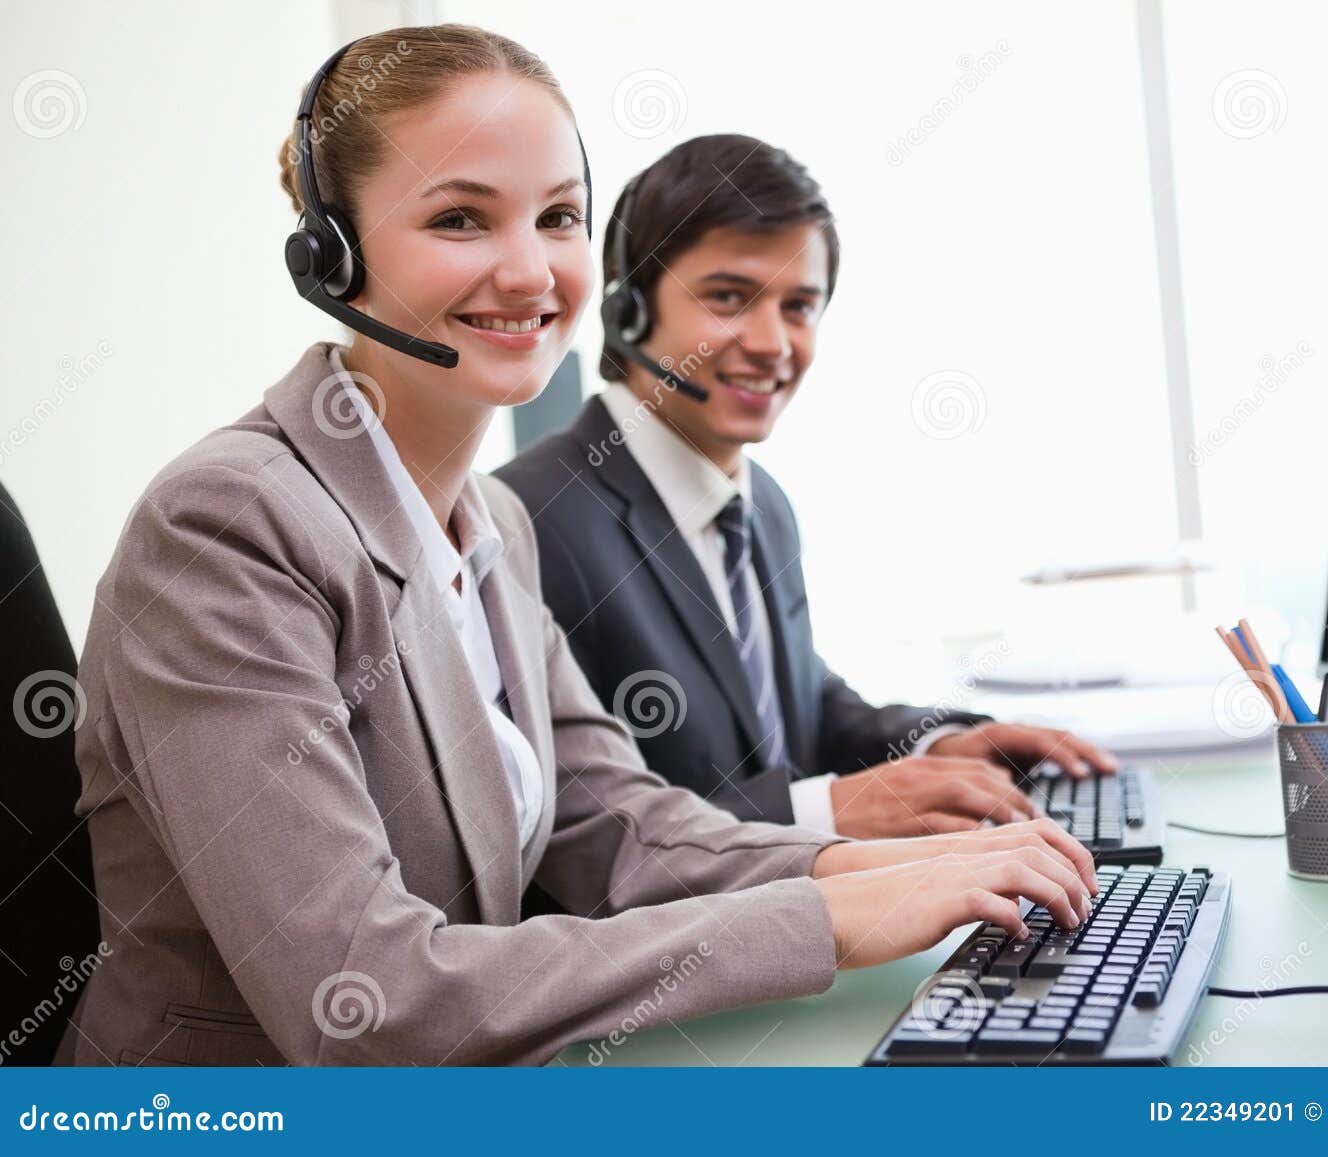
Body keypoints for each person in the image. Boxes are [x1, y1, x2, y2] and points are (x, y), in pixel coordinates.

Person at [55, 25, 1096, 1067]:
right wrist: (826, 920)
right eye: (459, 218)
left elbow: (621, 831)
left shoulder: (491, 525)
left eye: (557, 217)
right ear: (334, 255)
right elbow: (364, 1000)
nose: (528, 272)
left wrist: (878, 868)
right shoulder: (229, 526)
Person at [494, 135, 1118, 840]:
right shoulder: (530, 521)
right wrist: (822, 810)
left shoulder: (762, 505)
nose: (772, 344)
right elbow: (566, 835)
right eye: (729, 297)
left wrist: (937, 743)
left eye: (798, 306)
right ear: (630, 310)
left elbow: (799, 709)